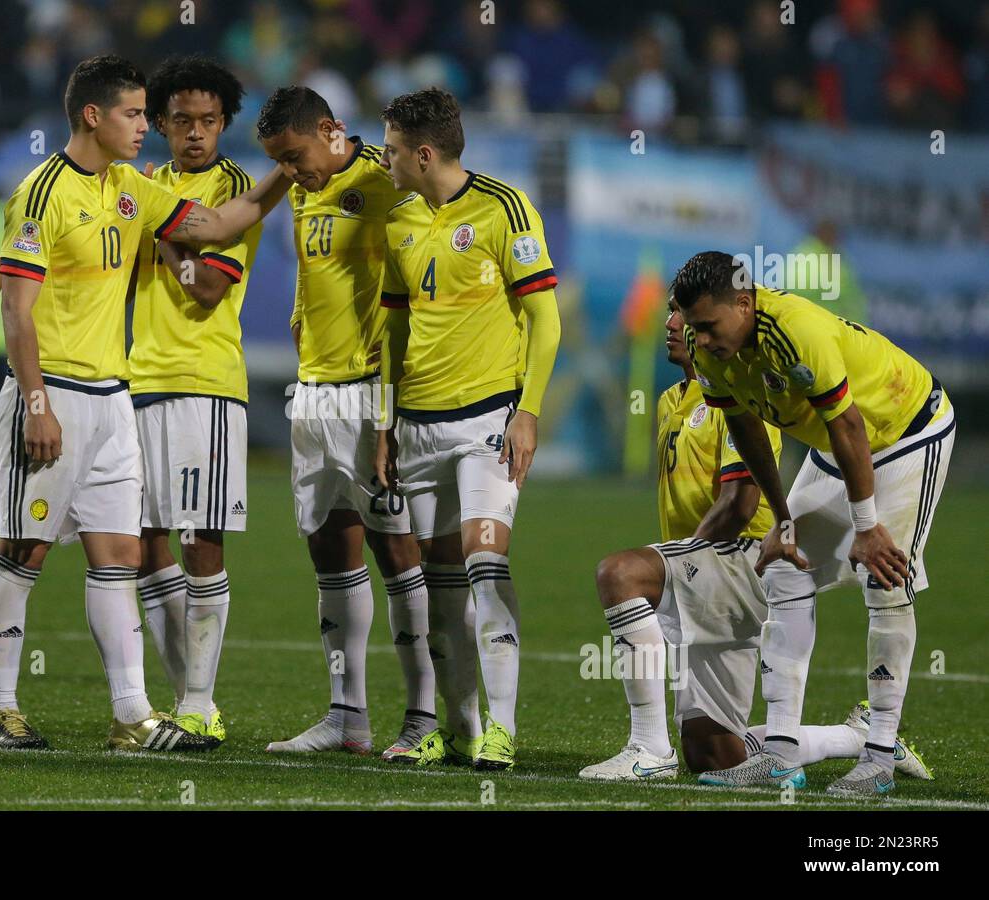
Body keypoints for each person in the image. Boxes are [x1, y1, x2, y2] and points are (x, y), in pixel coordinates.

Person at [0, 54, 290, 751]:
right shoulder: (40, 192)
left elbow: (215, 225)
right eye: (134, 114)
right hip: (50, 392)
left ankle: (131, 714)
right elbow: (18, 311)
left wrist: (283, 175)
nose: (146, 127)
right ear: (93, 115)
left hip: (114, 399)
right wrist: (35, 404)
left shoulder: (132, 188)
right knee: (23, 551)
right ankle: (0, 709)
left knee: (118, 556)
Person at [578, 296, 931, 783]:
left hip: (745, 560)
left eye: (684, 314)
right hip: (705, 573)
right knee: (713, 754)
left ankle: (647, 749)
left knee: (621, 574)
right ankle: (858, 736)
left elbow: (741, 504)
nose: (673, 324)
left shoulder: (739, 387)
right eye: (672, 313)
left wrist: (679, 564)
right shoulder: (669, 401)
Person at [676, 251, 953, 796]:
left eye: (708, 327)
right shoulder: (704, 348)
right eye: (693, 329)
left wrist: (866, 525)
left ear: (744, 302)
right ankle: (780, 754)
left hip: (905, 431)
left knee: (885, 581)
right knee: (787, 568)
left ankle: (878, 754)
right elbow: (748, 429)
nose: (701, 340)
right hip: (836, 445)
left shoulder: (798, 332)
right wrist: (782, 520)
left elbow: (849, 422)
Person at [376, 88, 561, 771]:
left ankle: (502, 732)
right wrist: (385, 421)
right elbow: (395, 326)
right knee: (442, 586)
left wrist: (529, 410)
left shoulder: (504, 209)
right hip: (416, 424)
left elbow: (545, 318)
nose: (384, 160)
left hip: (486, 418)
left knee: (487, 562)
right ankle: (458, 730)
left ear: (424, 154)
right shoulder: (398, 222)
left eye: (392, 150)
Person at [257, 86, 437, 761]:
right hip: (315, 395)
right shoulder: (306, 189)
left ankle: (421, 717)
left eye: (296, 157)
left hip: (370, 396)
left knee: (397, 551)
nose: (292, 174)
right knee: (330, 551)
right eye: (281, 162)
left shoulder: (386, 185)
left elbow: (413, 292)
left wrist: (396, 407)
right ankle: (347, 715)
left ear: (332, 130)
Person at [130, 55, 261, 746]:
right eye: (182, 121)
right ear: (158, 124)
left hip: (204, 384)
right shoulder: (146, 184)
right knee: (145, 545)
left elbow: (205, 287)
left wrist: (166, 235)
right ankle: (188, 704)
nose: (196, 134)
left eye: (208, 121)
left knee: (199, 543)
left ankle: (200, 704)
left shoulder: (234, 189)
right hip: (139, 380)